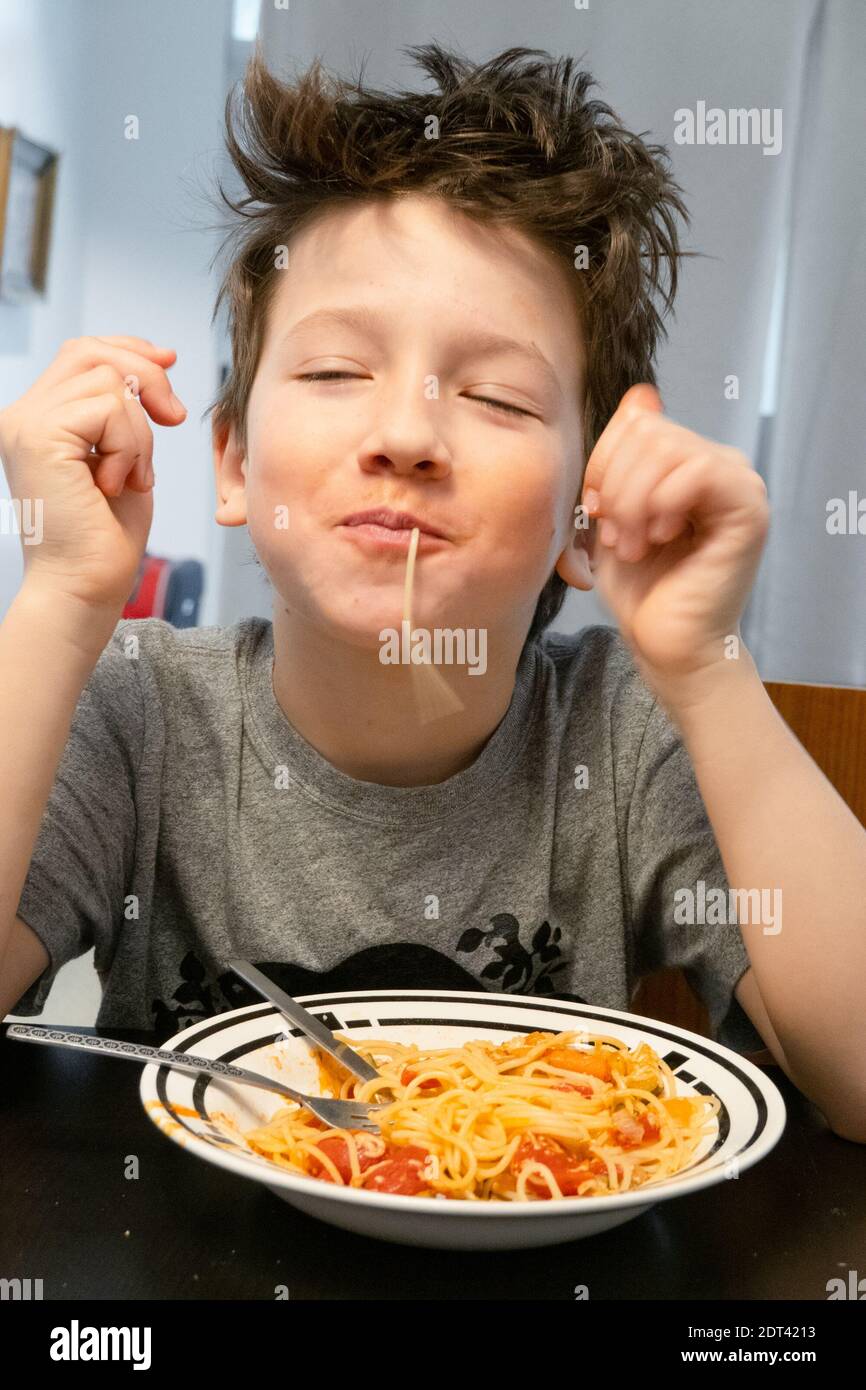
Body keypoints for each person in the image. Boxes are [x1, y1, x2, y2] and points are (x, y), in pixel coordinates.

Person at [1, 43, 864, 1141]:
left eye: (497, 397)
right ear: (229, 463)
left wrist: (705, 666)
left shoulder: (624, 733)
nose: (406, 434)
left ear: (584, 506)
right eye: (332, 372)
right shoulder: (141, 715)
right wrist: (61, 599)